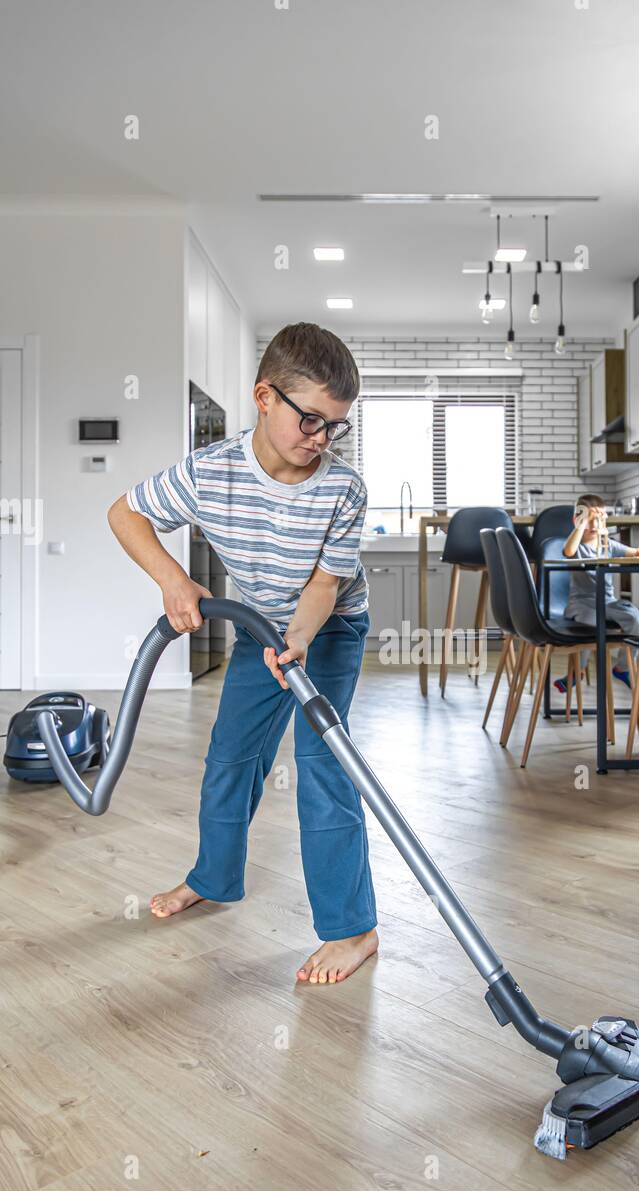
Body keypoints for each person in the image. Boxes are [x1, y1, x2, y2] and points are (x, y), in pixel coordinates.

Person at [108, 322, 378, 985]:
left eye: (334, 426)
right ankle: (214, 877)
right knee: (232, 755)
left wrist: (301, 642)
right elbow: (125, 513)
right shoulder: (210, 472)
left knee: (323, 762)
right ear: (265, 397)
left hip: (330, 628)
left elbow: (324, 583)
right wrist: (175, 580)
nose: (320, 438)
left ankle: (353, 929)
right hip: (259, 626)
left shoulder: (343, 489)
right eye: (309, 419)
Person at [555, 493, 639, 690]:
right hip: (581, 604)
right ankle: (577, 671)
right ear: (577, 521)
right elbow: (568, 552)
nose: (593, 526)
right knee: (592, 620)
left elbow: (632, 552)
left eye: (596, 520)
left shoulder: (608, 544)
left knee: (638, 621)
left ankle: (623, 667)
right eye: (589, 521)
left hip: (608, 602)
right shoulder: (577, 545)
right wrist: (581, 524)